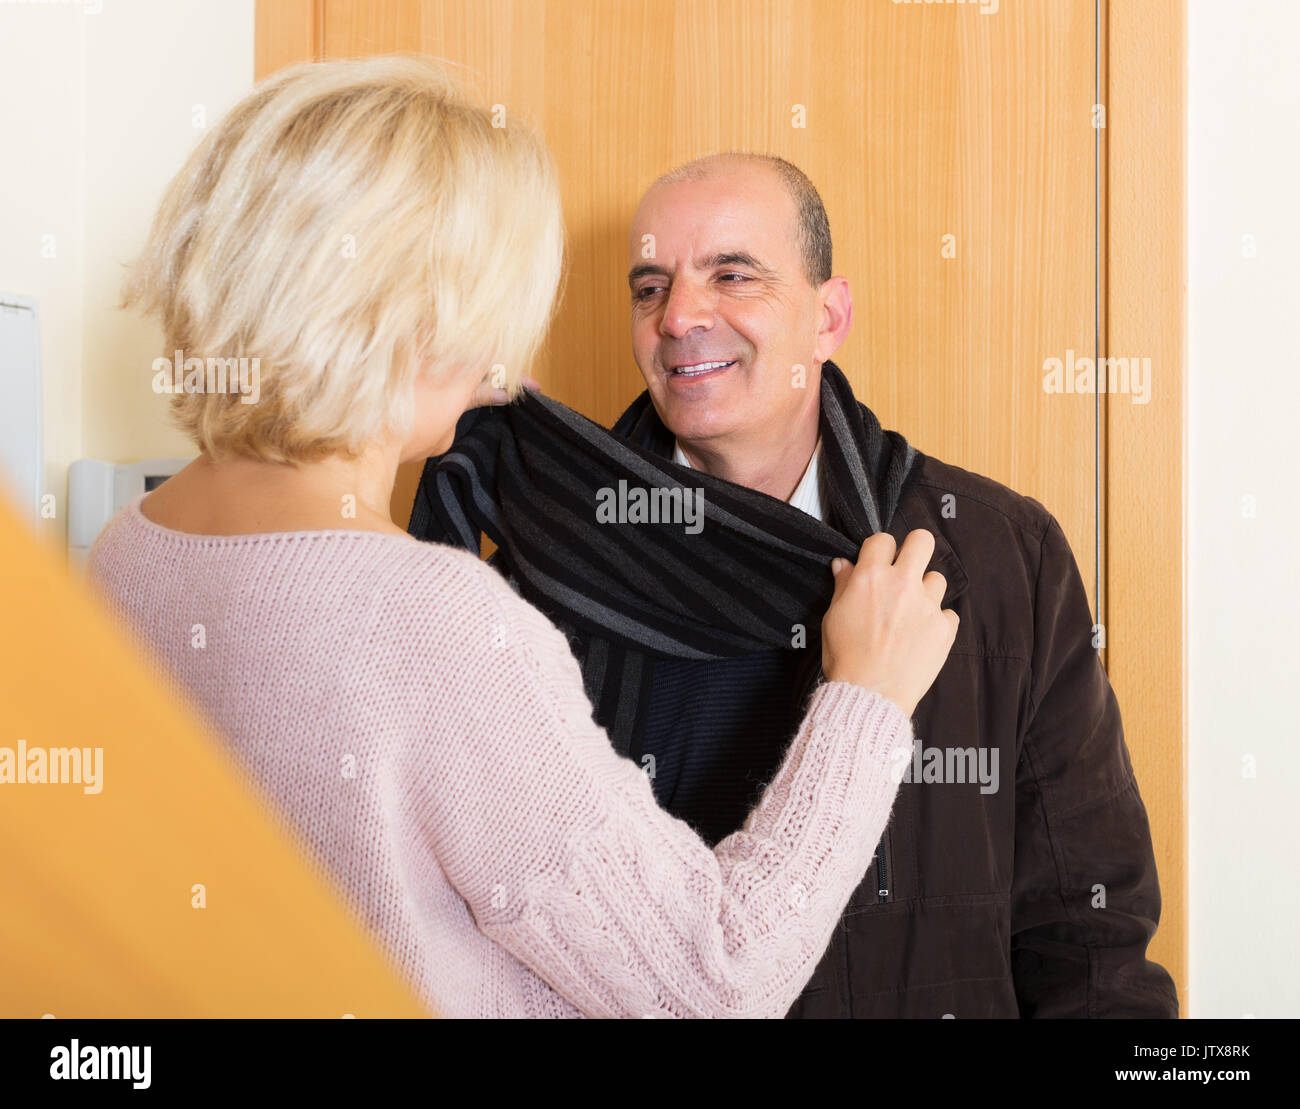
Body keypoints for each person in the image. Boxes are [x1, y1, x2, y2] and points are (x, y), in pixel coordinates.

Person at [85, 57, 958, 1019]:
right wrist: (865, 701)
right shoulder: (432, 618)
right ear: (417, 312)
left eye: (733, 274)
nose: (502, 368)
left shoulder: (126, 558)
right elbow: (712, 988)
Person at [410, 152, 1179, 1018]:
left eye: (731, 275)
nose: (679, 317)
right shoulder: (550, 566)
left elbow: (1089, 941)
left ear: (828, 317)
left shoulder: (998, 556)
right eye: (650, 287)